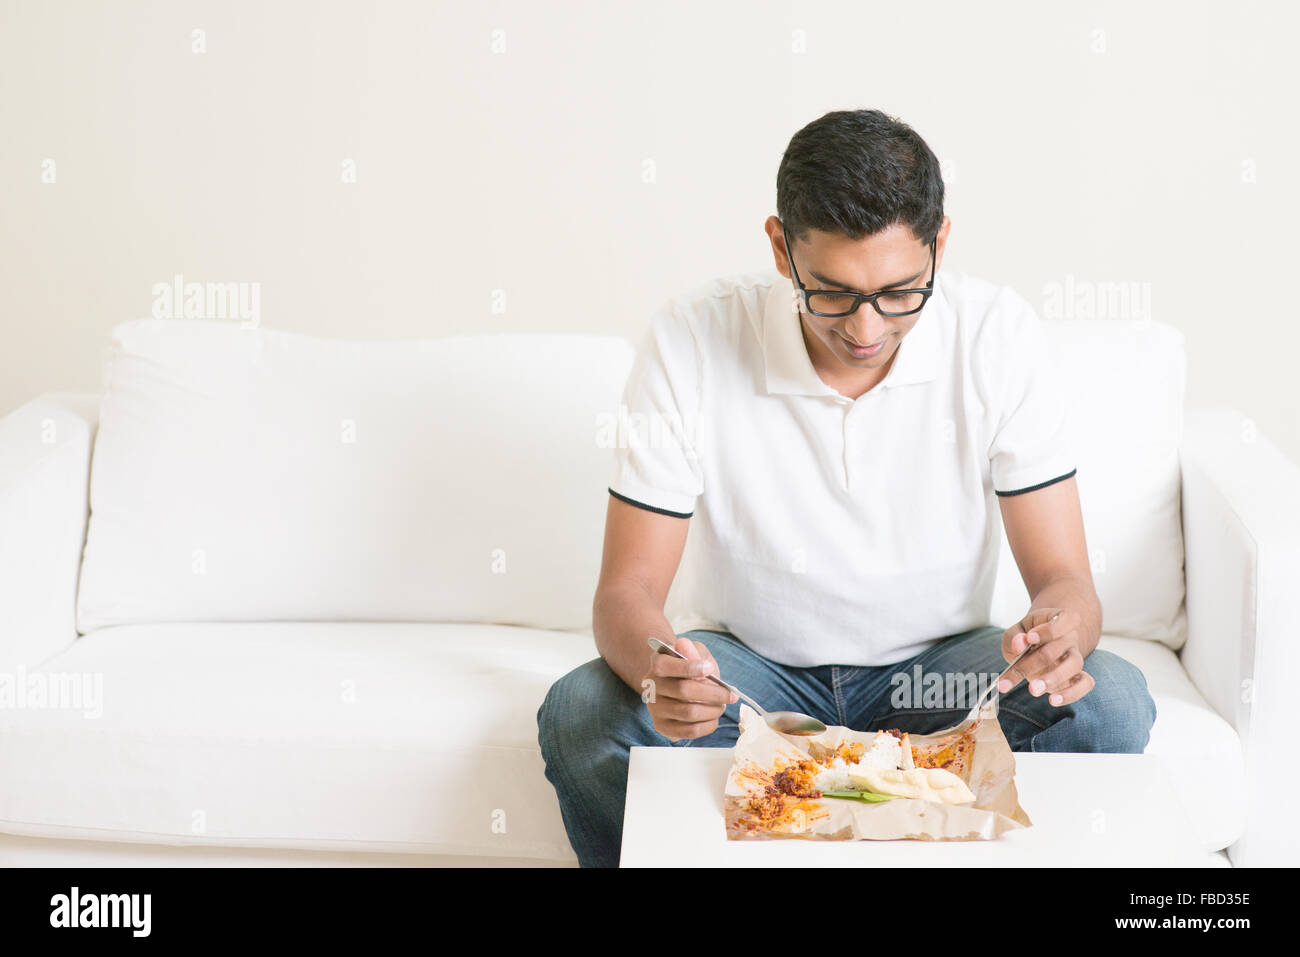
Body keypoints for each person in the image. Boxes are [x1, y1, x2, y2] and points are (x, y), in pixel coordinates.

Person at [537, 108, 1156, 868]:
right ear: (779, 248)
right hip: (753, 682)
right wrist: (663, 667)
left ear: (940, 246)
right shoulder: (692, 336)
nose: (867, 329)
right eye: (831, 292)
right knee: (584, 712)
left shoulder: (996, 334)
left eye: (901, 292)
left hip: (940, 677)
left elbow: (1066, 581)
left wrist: (1058, 632)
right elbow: (624, 593)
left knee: (1110, 701)